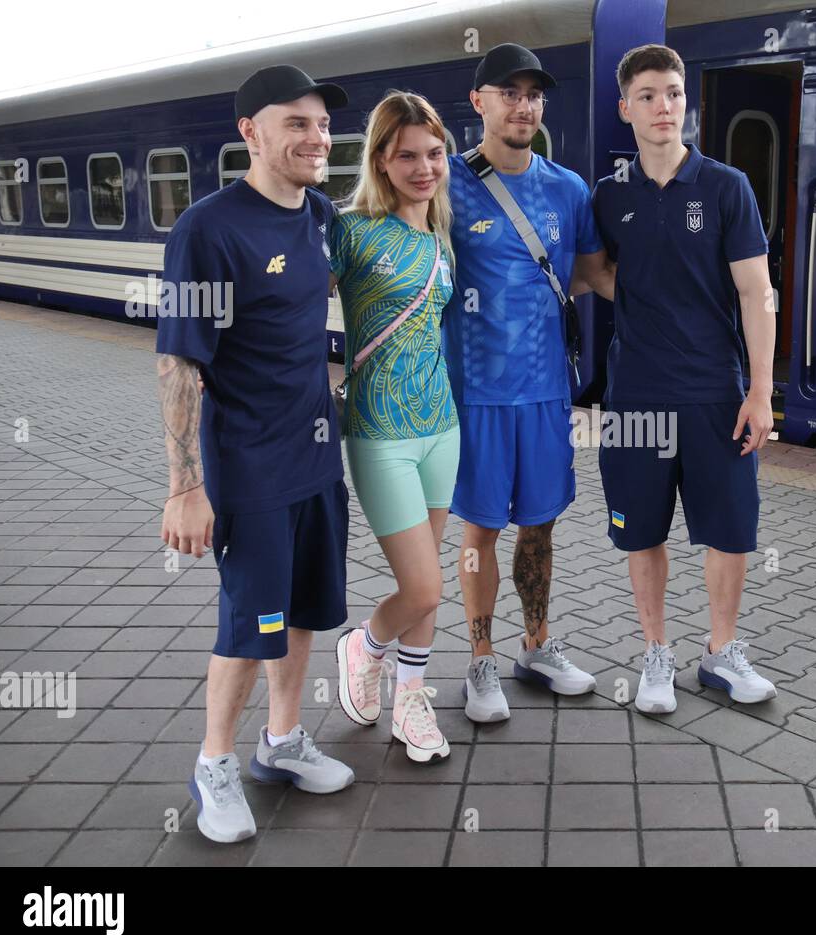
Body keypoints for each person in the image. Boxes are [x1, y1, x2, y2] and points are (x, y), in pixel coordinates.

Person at [157, 65, 355, 843]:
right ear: (251, 133)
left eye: (321, 125)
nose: (316, 138)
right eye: (296, 124)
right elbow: (179, 362)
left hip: (314, 457)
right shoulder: (207, 228)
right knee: (250, 623)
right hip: (247, 468)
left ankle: (281, 742)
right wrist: (184, 487)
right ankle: (214, 765)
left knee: (302, 608)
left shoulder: (318, 217)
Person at [591, 44, 777, 714]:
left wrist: (760, 392)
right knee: (643, 532)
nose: (663, 106)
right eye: (647, 95)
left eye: (672, 92)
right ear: (626, 109)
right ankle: (656, 654)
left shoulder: (727, 186)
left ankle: (721, 654)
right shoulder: (608, 196)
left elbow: (757, 294)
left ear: (685, 103)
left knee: (729, 531)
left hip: (717, 394)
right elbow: (595, 275)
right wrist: (647, 301)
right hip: (636, 396)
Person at [444, 43, 615, 723]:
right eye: (508, 92)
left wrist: (703, 295)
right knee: (481, 531)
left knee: (540, 528)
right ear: (478, 102)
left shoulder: (569, 189)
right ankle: (480, 663)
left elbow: (592, 275)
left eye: (534, 94)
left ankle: (536, 647)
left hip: (547, 391)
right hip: (477, 392)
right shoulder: (446, 182)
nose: (523, 105)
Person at [330, 91, 457, 763]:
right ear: (379, 160)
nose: (423, 167)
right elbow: (290, 304)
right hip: (379, 431)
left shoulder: (440, 235)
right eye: (406, 155)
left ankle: (411, 704)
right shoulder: (348, 232)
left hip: (443, 427)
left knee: (429, 580)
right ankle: (365, 644)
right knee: (425, 586)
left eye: (434, 154)